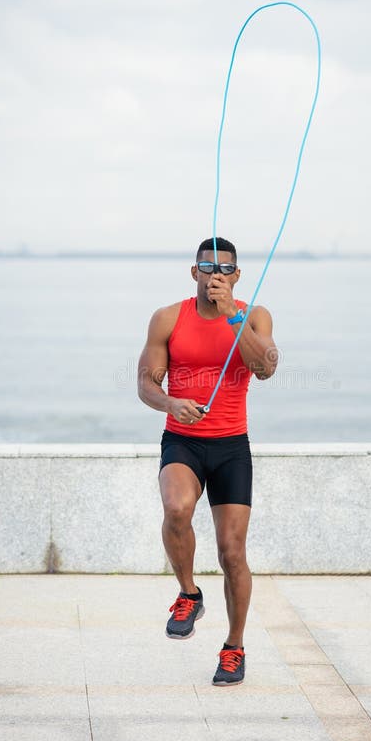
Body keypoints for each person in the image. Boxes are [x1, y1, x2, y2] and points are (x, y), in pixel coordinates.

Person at [137, 237, 278, 685]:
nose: (214, 273)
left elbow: (267, 368)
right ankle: (188, 593)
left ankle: (233, 648)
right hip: (183, 440)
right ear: (193, 271)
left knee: (232, 552)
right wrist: (169, 403)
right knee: (176, 508)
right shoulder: (167, 318)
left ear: (237, 275)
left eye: (224, 268)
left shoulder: (254, 315)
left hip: (232, 446)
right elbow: (145, 383)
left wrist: (233, 314)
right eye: (206, 266)